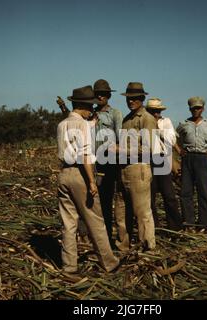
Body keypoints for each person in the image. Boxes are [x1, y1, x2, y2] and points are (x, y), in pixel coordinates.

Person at [57, 85, 120, 273]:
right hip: (80, 175)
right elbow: (84, 155)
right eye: (90, 107)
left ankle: (69, 266)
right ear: (83, 106)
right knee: (95, 220)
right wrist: (92, 182)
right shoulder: (82, 125)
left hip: (63, 175)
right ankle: (109, 262)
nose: (92, 110)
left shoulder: (62, 125)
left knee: (68, 224)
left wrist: (91, 124)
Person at [115, 82, 157, 251]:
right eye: (128, 99)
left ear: (141, 99)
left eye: (134, 99)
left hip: (138, 168)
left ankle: (147, 248)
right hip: (123, 169)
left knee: (142, 212)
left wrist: (121, 149)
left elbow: (148, 149)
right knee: (121, 212)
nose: (130, 101)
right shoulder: (126, 120)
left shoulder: (147, 119)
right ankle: (123, 246)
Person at [177, 96, 207, 231]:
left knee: (203, 192)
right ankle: (189, 223)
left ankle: (204, 224)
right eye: (193, 108)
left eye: (198, 108)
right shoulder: (184, 124)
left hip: (202, 158)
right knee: (186, 192)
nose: (195, 110)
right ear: (189, 109)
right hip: (187, 158)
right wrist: (179, 149)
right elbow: (173, 137)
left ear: (203, 109)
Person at [91, 79, 123, 248]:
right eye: (97, 94)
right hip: (91, 161)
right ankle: (93, 237)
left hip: (108, 162)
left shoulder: (115, 114)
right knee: (91, 200)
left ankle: (107, 239)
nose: (100, 97)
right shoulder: (90, 114)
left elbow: (120, 139)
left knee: (106, 199)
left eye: (103, 94)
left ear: (109, 95)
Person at [145, 98, 183, 231]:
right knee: (150, 196)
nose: (156, 114)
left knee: (169, 195)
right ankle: (154, 227)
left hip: (161, 158)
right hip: (147, 158)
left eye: (157, 111)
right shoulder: (144, 121)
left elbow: (171, 139)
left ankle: (175, 227)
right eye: (152, 111)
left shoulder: (165, 122)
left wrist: (156, 128)